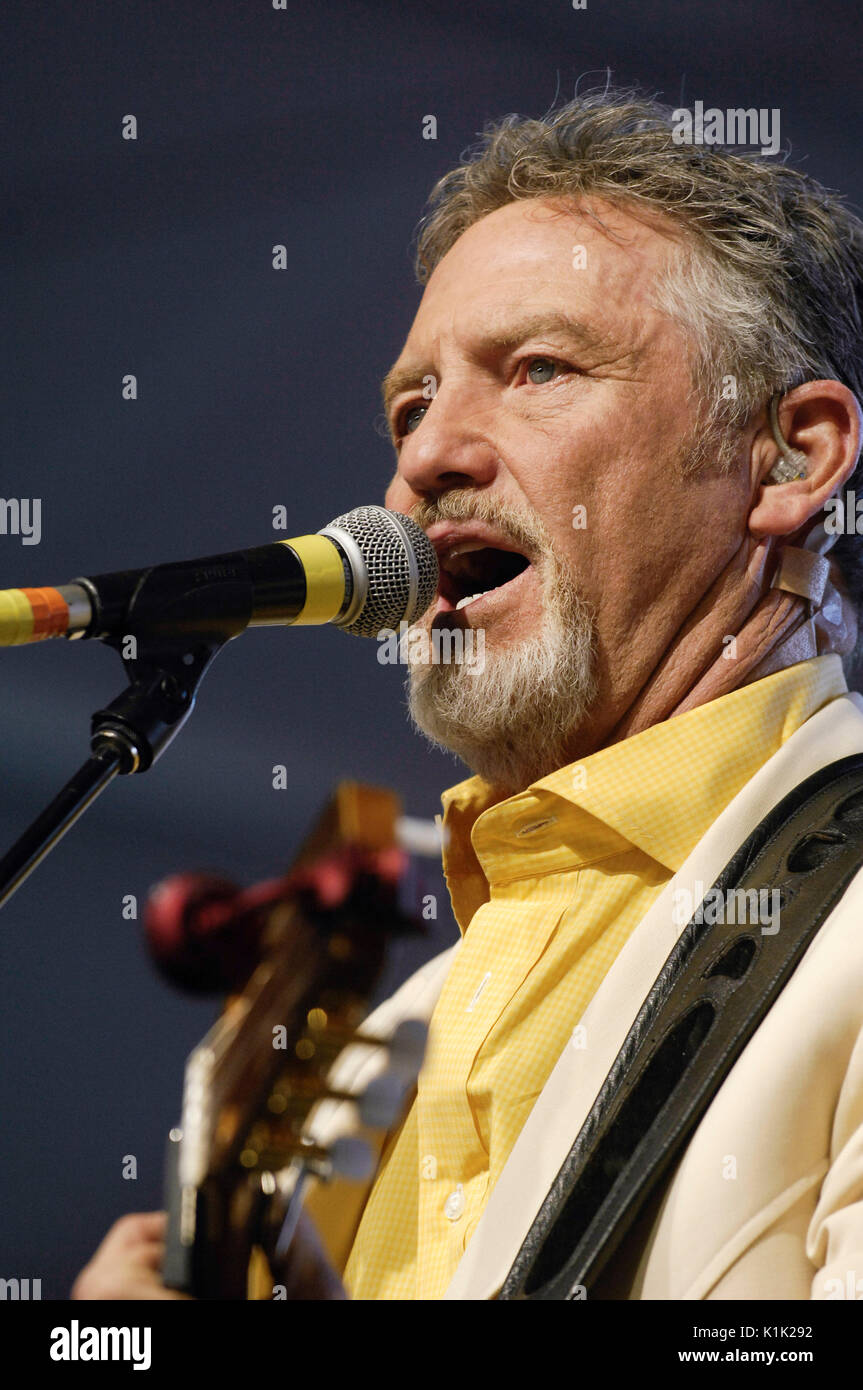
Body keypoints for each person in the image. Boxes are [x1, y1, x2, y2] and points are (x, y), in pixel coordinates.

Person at [73, 88, 863, 1301]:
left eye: (538, 369)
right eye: (412, 402)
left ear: (789, 454)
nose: (423, 459)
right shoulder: (382, 1044)